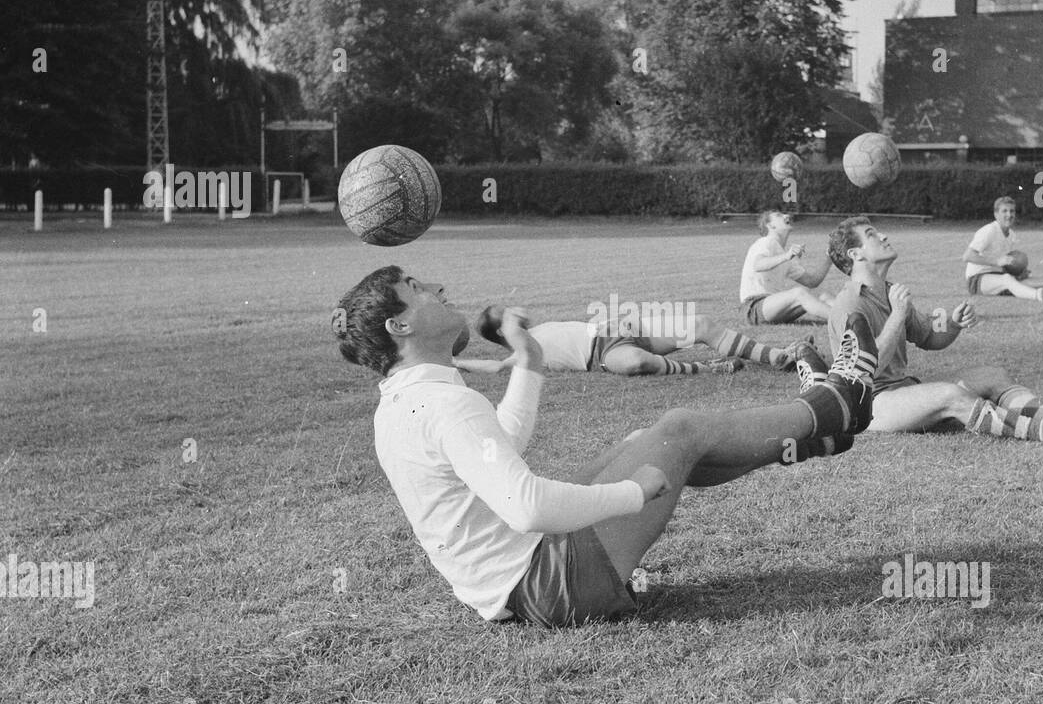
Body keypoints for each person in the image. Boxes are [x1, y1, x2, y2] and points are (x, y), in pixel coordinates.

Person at [332, 266, 875, 628]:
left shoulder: (405, 401)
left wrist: (530, 361)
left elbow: (501, 445)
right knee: (679, 429)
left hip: (519, 586)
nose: (438, 290)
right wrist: (632, 492)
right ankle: (835, 406)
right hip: (550, 583)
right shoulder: (441, 404)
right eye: (418, 288)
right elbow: (528, 507)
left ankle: (814, 437)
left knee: (650, 440)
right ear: (399, 323)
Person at [822, 218, 1043, 444]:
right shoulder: (848, 304)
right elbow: (867, 370)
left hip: (901, 391)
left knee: (991, 375)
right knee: (951, 394)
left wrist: (953, 324)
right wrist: (898, 314)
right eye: (872, 235)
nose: (884, 235)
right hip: (870, 406)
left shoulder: (889, 291)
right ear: (855, 254)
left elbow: (928, 336)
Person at [456, 306, 805, 377]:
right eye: (508, 314)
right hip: (605, 354)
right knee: (639, 363)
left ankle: (776, 357)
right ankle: (706, 368)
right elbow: (495, 367)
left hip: (620, 329)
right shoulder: (523, 354)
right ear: (502, 331)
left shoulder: (539, 330)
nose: (518, 310)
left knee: (699, 324)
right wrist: (455, 362)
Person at [739, 209, 835, 324]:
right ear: (771, 226)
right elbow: (758, 265)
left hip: (773, 311)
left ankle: (856, 316)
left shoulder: (786, 254)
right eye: (779, 215)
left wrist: (829, 258)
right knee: (799, 293)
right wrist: (786, 256)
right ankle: (845, 321)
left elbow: (812, 281)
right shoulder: (765, 242)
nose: (786, 215)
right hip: (753, 307)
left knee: (821, 296)